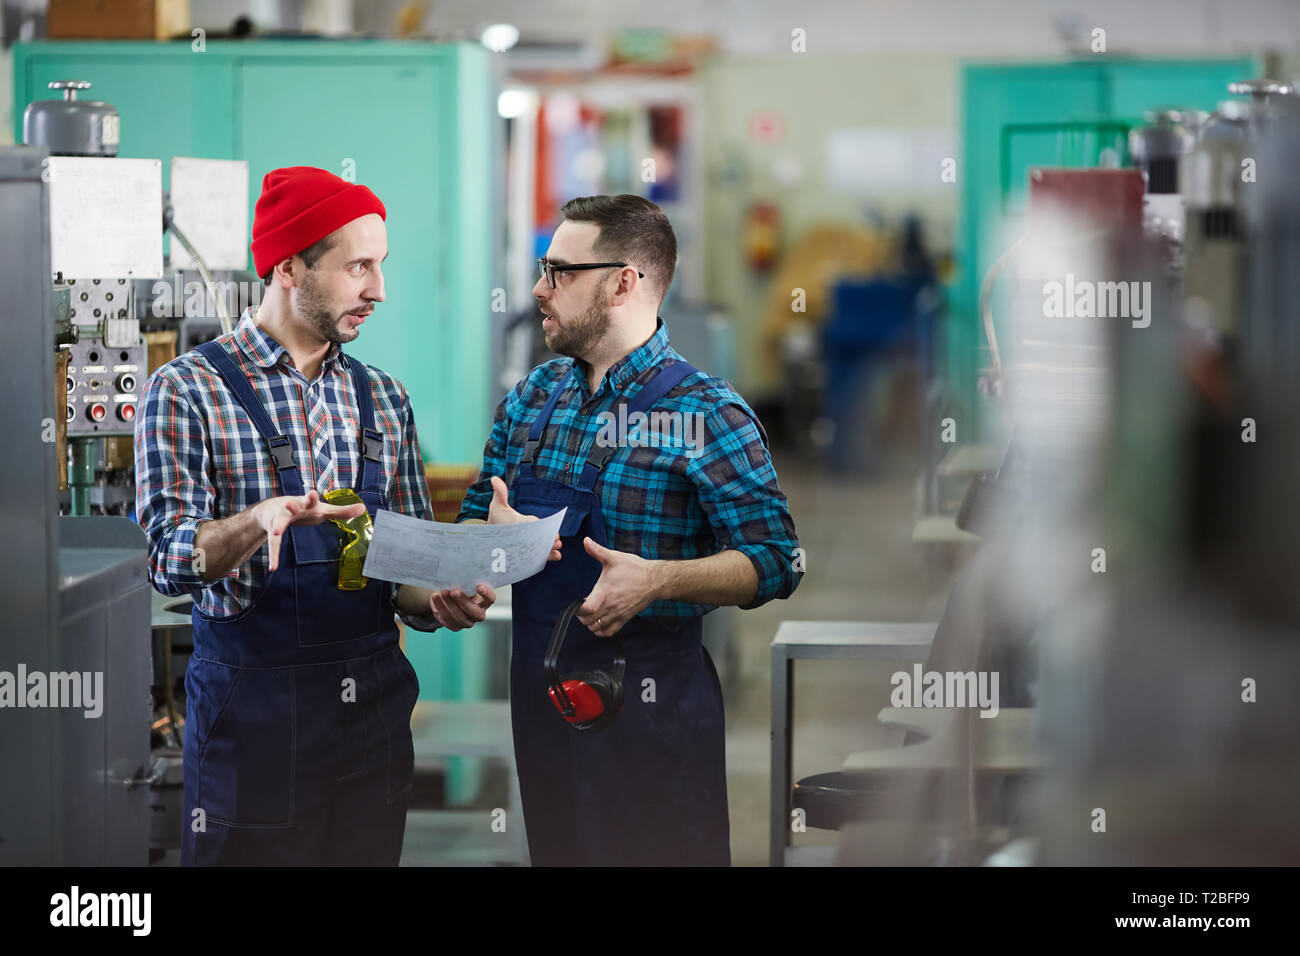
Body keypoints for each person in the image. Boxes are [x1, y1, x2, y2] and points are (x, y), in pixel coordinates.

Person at [432, 194, 802, 866]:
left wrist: (660, 579)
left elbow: (778, 560)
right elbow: (474, 521)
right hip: (543, 704)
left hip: (651, 717)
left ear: (625, 281)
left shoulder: (706, 412)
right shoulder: (532, 400)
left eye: (559, 273)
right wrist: (490, 550)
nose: (539, 291)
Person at [135, 166, 449, 865]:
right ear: (288, 267)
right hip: (253, 730)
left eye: (382, 265)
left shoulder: (385, 400)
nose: (379, 290)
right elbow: (165, 559)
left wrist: (444, 596)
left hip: (372, 721)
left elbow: (407, 569)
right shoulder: (187, 391)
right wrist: (259, 520)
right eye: (358, 266)